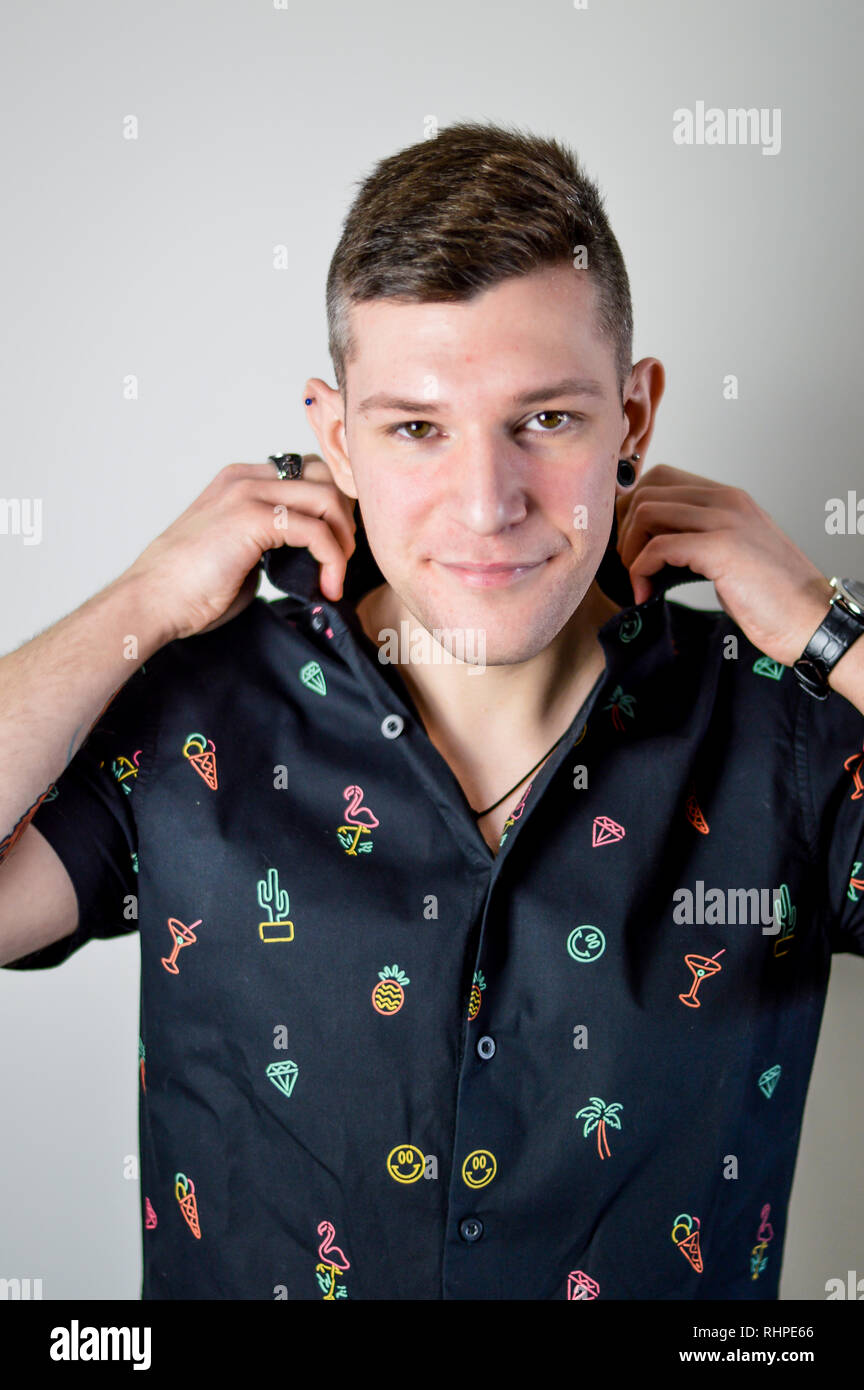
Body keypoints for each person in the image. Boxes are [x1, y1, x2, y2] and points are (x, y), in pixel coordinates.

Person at [1, 120, 863, 1301]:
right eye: (415, 428)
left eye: (547, 419)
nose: (486, 501)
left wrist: (830, 625)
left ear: (638, 419)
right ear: (336, 438)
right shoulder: (199, 714)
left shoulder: (787, 735)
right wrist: (142, 601)